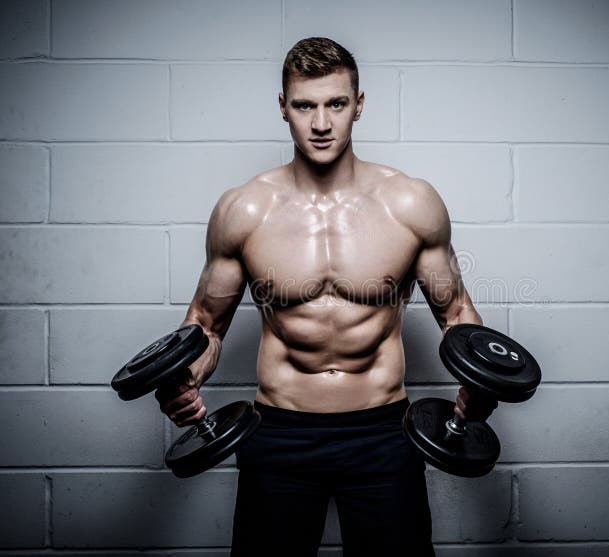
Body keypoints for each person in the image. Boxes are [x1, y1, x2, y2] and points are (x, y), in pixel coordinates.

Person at [155, 37, 496, 557]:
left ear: (359, 104)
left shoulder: (409, 203)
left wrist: (480, 384)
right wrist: (185, 380)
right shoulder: (245, 211)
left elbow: (456, 316)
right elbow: (206, 325)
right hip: (279, 433)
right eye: (305, 105)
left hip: (384, 431)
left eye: (336, 104)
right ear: (283, 108)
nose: (320, 123)